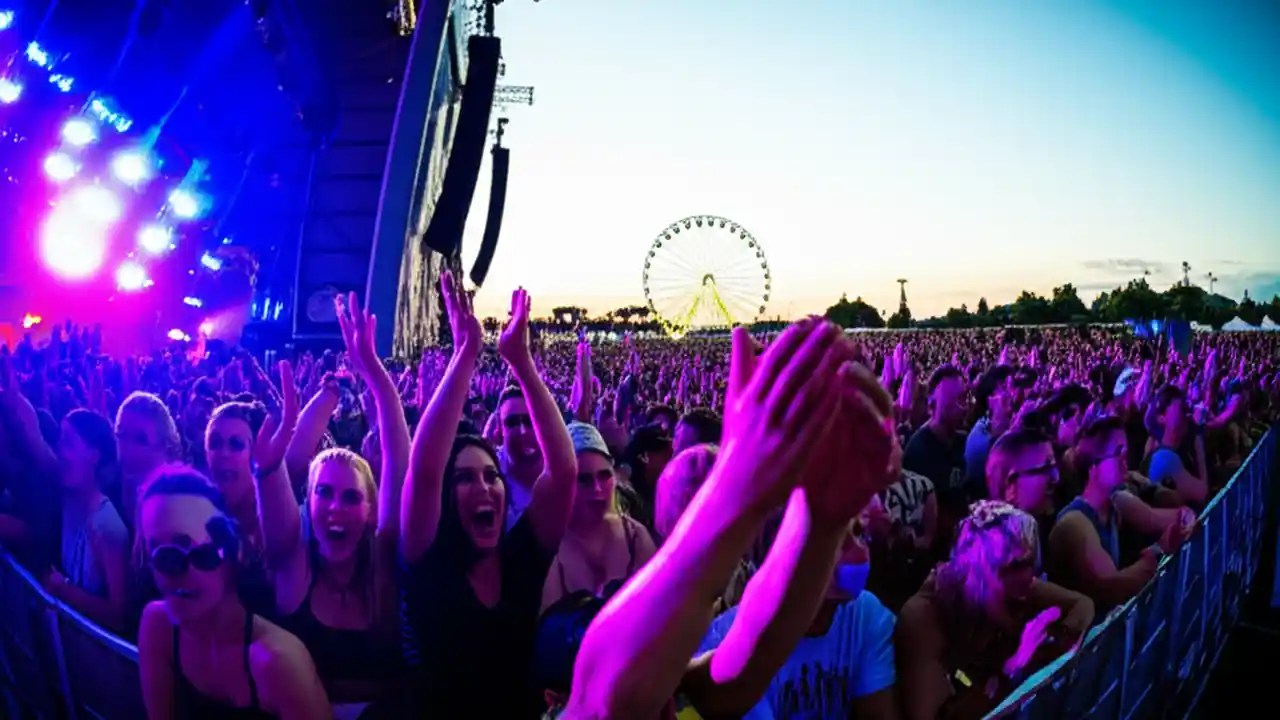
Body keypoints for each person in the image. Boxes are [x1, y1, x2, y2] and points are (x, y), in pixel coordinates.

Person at [563, 321, 897, 719]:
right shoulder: (592, 701)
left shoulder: (684, 693)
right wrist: (737, 479)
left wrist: (822, 518)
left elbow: (753, 655)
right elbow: (603, 697)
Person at [399, 276, 577, 718]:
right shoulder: (427, 559)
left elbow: (564, 470)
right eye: (462, 478)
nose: (482, 487)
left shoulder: (522, 557)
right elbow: (423, 471)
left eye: (490, 476)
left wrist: (522, 362)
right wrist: (464, 355)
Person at [262, 294, 410, 716]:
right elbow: (286, 468)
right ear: (307, 504)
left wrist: (375, 375)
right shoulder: (294, 566)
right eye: (323, 493)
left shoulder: (383, 566)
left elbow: (402, 464)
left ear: (370, 512)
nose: (334, 508)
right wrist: (328, 394)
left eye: (351, 497)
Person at [136, 470, 330, 720]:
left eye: (186, 547)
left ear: (230, 553)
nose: (170, 572)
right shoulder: (159, 626)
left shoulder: (278, 663)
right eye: (159, 553)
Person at [896, 501, 1094, 720]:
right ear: (978, 573)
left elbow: (1083, 605)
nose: (1028, 580)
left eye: (1029, 565)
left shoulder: (1016, 583)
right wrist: (1015, 666)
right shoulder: (924, 617)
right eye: (1015, 567)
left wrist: (1059, 643)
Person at [697, 514, 899, 719]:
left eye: (859, 534)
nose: (860, 552)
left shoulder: (867, 614)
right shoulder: (726, 644)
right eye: (836, 541)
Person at [1048, 416, 1193, 612]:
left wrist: (1186, 518)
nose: (1126, 461)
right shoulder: (1074, 522)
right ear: (1093, 468)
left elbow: (1161, 516)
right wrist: (1159, 550)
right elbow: (1113, 586)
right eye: (1118, 453)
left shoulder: (1115, 502)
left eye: (1126, 452)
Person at [542, 422, 657, 613]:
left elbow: (658, 606)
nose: (597, 488)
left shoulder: (635, 536)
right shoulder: (549, 545)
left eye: (604, 476)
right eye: (584, 479)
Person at [46, 408, 130, 632]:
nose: (59, 450)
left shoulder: (106, 526)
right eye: (60, 440)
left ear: (94, 455)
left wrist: (64, 589)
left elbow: (119, 617)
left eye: (68, 442)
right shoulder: (68, 502)